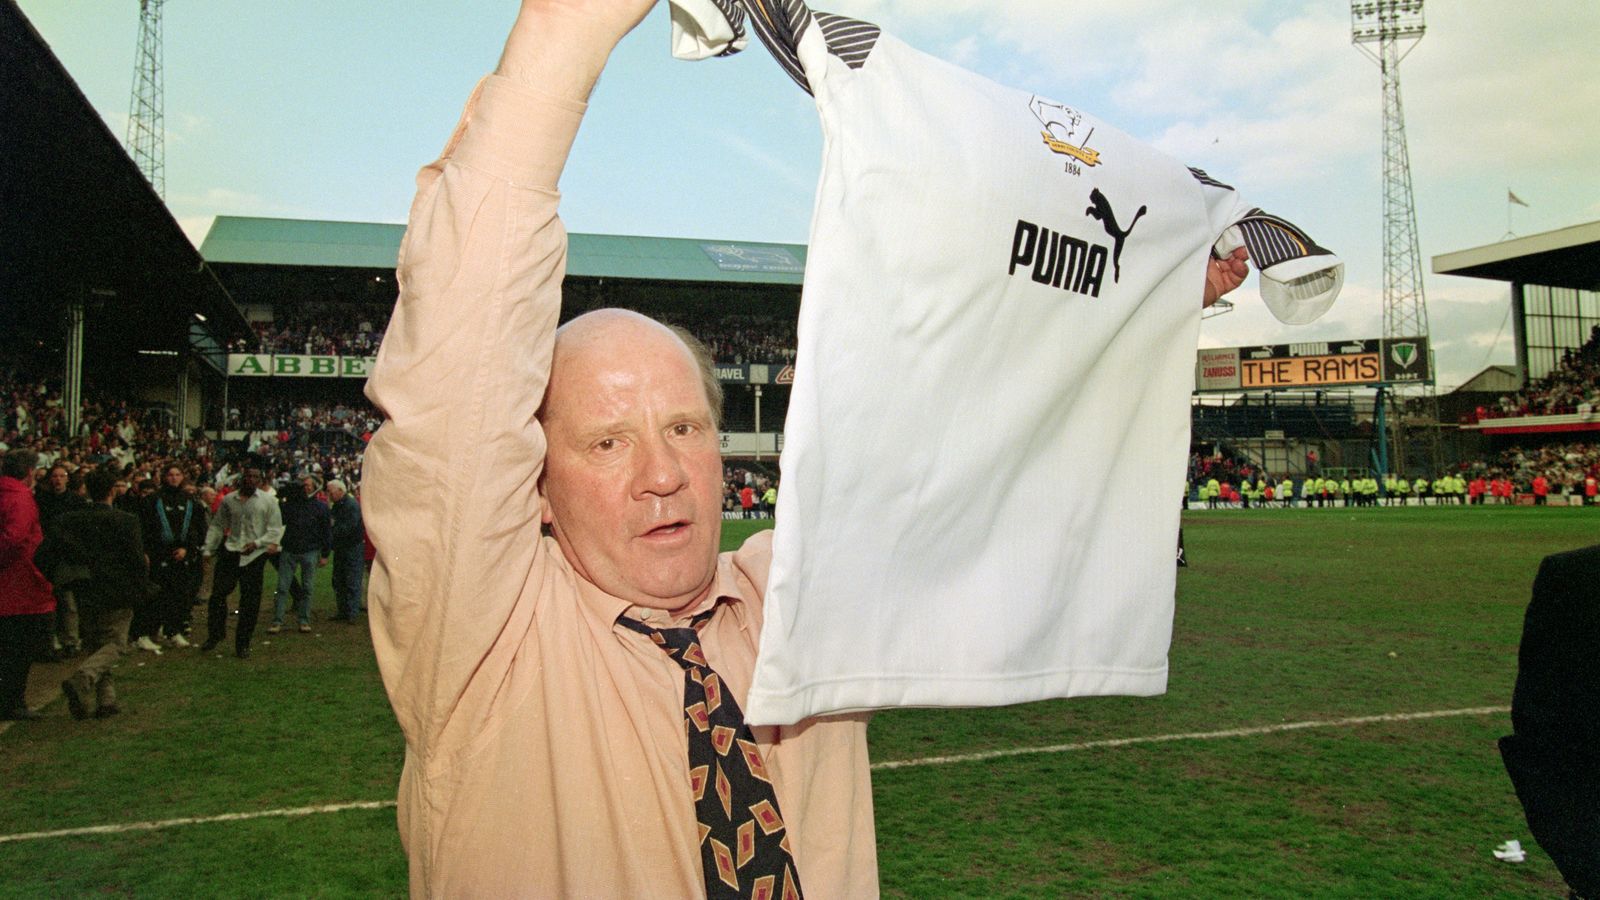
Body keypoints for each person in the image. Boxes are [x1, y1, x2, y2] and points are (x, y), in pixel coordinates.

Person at [361, 2, 1251, 895]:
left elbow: (982, 445)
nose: (662, 475)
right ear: (537, 488)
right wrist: (566, 35)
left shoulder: (797, 602)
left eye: (684, 429)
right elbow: (456, 376)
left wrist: (1143, 299)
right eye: (607, 442)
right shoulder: (484, 640)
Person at [53, 469, 150, 720]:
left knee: (97, 643)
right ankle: (83, 678)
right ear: (112, 491)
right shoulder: (126, 520)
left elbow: (50, 551)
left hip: (85, 588)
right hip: (117, 589)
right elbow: (136, 560)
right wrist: (143, 587)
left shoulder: (71, 520)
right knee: (115, 644)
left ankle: (106, 700)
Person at [201, 467, 283, 659]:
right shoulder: (229, 499)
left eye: (255, 477)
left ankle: (243, 643)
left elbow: (275, 529)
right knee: (218, 595)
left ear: (260, 480)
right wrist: (208, 549)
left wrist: (257, 543)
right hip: (231, 551)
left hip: (254, 556)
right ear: (242, 478)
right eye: (248, 476)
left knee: (250, 602)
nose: (251, 480)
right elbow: (218, 525)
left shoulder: (268, 501)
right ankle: (215, 634)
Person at [0, 449, 54, 720]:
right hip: (18, 584)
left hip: (12, 584)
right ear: (30, 471)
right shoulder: (20, 497)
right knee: (17, 649)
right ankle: (12, 702)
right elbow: (15, 538)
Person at [142, 464, 207, 647]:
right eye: (170, 474)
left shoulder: (190, 500)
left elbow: (199, 528)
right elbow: (146, 528)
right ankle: (147, 633)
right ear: (164, 477)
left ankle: (173, 631)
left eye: (177, 474)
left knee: (179, 594)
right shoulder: (153, 499)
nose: (174, 478)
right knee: (156, 595)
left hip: (182, 555)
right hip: (159, 554)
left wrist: (188, 549)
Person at [270, 480, 329, 634]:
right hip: (301, 549)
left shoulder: (294, 506)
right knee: (290, 587)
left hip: (300, 550)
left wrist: (325, 554)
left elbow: (326, 531)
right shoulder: (318, 507)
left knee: (292, 587)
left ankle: (285, 620)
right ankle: (298, 620)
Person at [325, 479, 365, 621]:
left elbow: (348, 527)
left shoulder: (351, 505)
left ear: (340, 491)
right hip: (341, 547)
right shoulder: (337, 505)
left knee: (352, 579)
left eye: (331, 492)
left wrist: (332, 530)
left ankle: (352, 612)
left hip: (352, 547)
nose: (329, 495)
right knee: (339, 580)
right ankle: (343, 611)